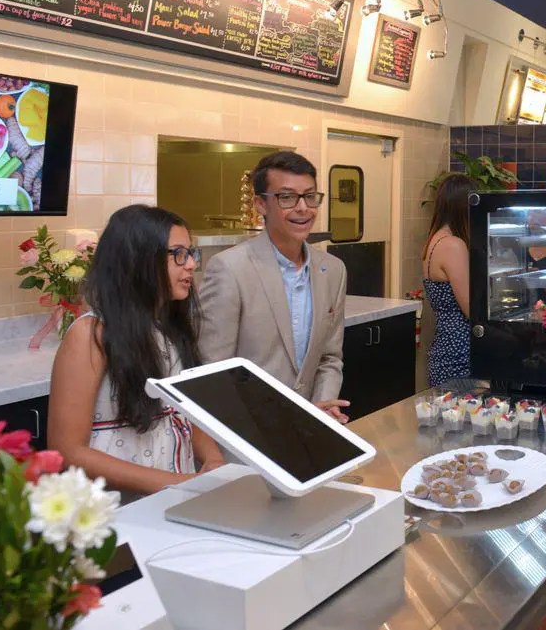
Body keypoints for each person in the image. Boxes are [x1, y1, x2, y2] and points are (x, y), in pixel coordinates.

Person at [47, 205, 225, 497]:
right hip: (116, 505)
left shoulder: (171, 327)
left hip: (174, 494)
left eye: (191, 253)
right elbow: (68, 451)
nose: (191, 264)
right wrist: (176, 484)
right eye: (179, 254)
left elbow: (185, 412)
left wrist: (213, 460)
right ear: (139, 260)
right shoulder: (90, 334)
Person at [199, 151, 351, 423]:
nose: (303, 208)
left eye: (310, 196)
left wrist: (321, 408)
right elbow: (213, 371)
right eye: (287, 197)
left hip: (309, 431)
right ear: (260, 204)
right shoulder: (230, 269)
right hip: (249, 432)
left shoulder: (333, 270)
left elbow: (329, 357)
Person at [422, 173, 473, 387]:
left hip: (445, 347)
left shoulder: (434, 240)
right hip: (459, 353)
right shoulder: (453, 245)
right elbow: (470, 308)